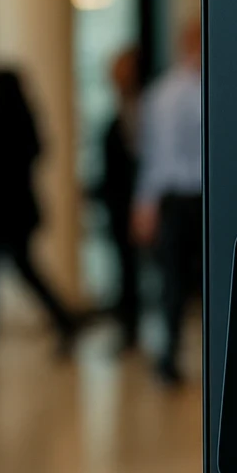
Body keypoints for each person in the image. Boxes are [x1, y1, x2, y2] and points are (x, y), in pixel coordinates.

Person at [0, 42, 80, 358]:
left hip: (11, 203)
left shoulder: (6, 86)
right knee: (5, 272)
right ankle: (64, 321)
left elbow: (34, 144)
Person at [132, 22, 202, 384]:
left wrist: (144, 202)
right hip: (186, 199)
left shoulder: (163, 93)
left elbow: (153, 158)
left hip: (186, 198)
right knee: (182, 281)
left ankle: (176, 356)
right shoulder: (172, 94)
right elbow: (155, 156)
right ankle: (174, 355)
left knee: (184, 280)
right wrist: (145, 203)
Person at [89, 46, 143, 348]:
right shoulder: (120, 110)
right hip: (117, 201)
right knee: (123, 265)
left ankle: (131, 327)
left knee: (130, 267)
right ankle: (128, 327)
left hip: (130, 201)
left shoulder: (139, 109)